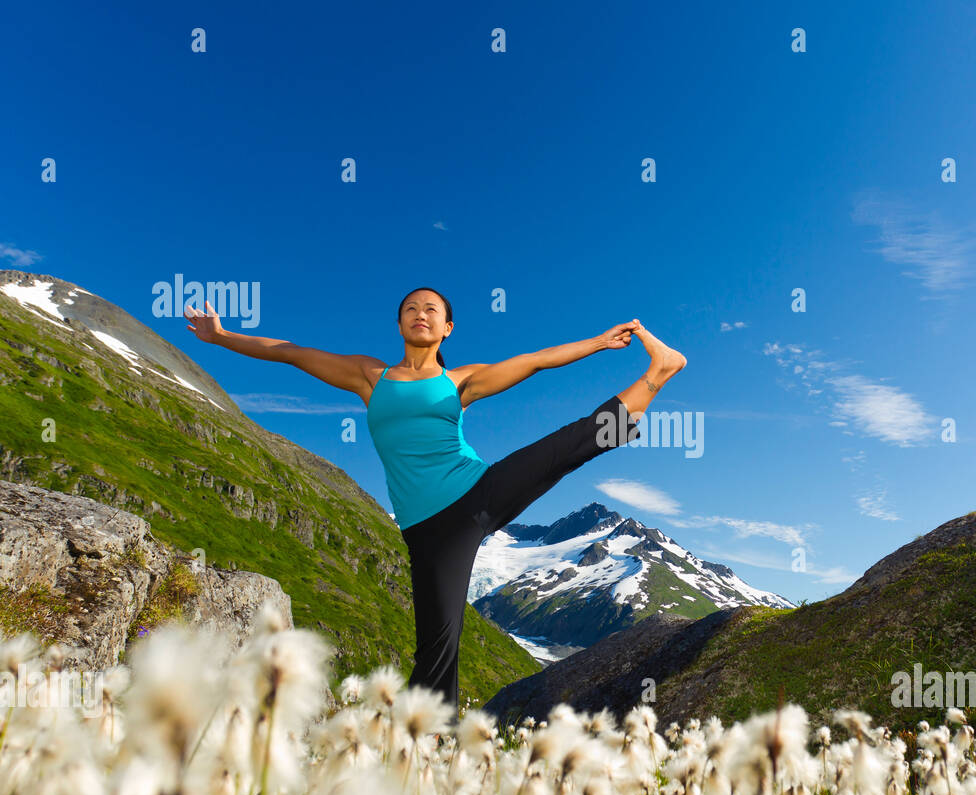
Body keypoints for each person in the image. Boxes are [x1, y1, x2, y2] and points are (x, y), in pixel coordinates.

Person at [184, 288, 686, 715]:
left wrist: (599, 343)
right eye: (411, 309)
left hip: (474, 491)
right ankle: (430, 751)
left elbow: (533, 361)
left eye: (431, 310)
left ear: (447, 327)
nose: (420, 314)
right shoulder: (369, 376)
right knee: (435, 648)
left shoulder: (459, 381)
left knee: (573, 444)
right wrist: (221, 336)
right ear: (400, 323)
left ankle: (658, 373)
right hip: (425, 530)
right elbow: (289, 351)